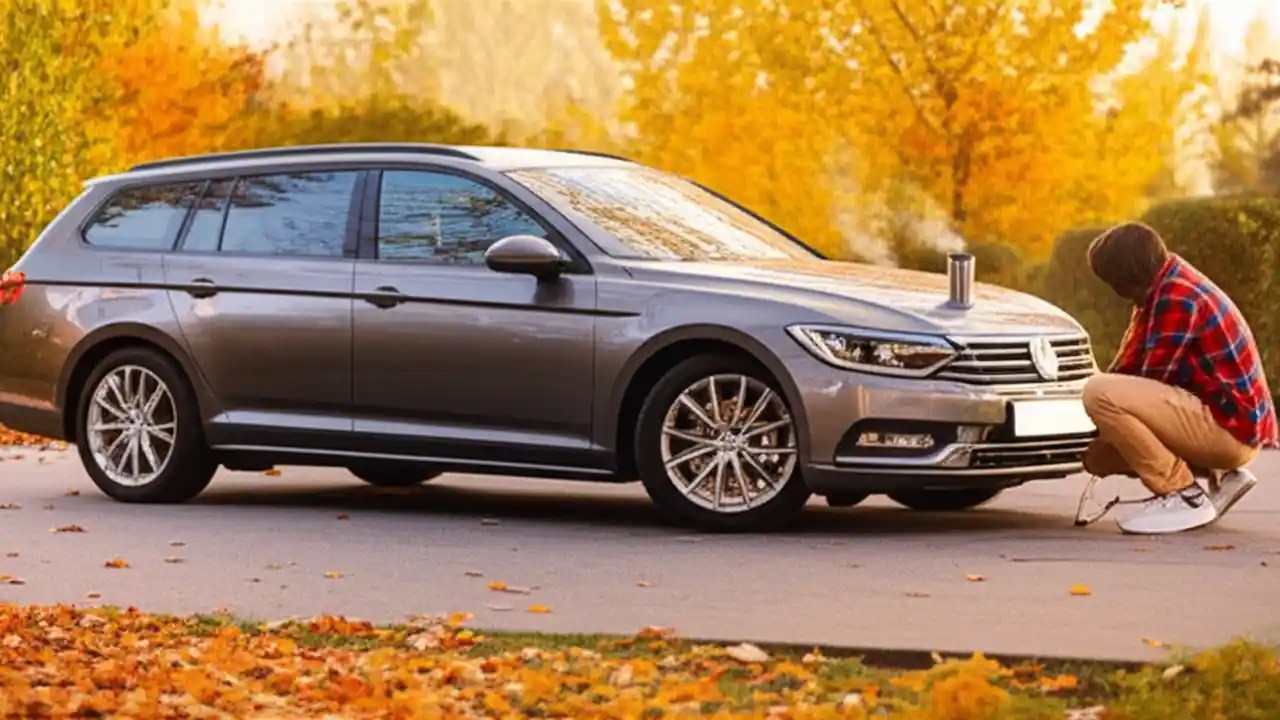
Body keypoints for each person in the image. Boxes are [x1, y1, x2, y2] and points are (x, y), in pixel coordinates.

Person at [1080, 222, 1276, 534]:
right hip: (1233, 429)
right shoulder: (1169, 282)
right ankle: (1220, 475)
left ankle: (1181, 494)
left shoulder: (1177, 297)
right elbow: (1133, 368)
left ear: (1125, 277)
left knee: (1098, 395)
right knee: (1103, 433)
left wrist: (1101, 433)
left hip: (1229, 435)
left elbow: (1149, 379)